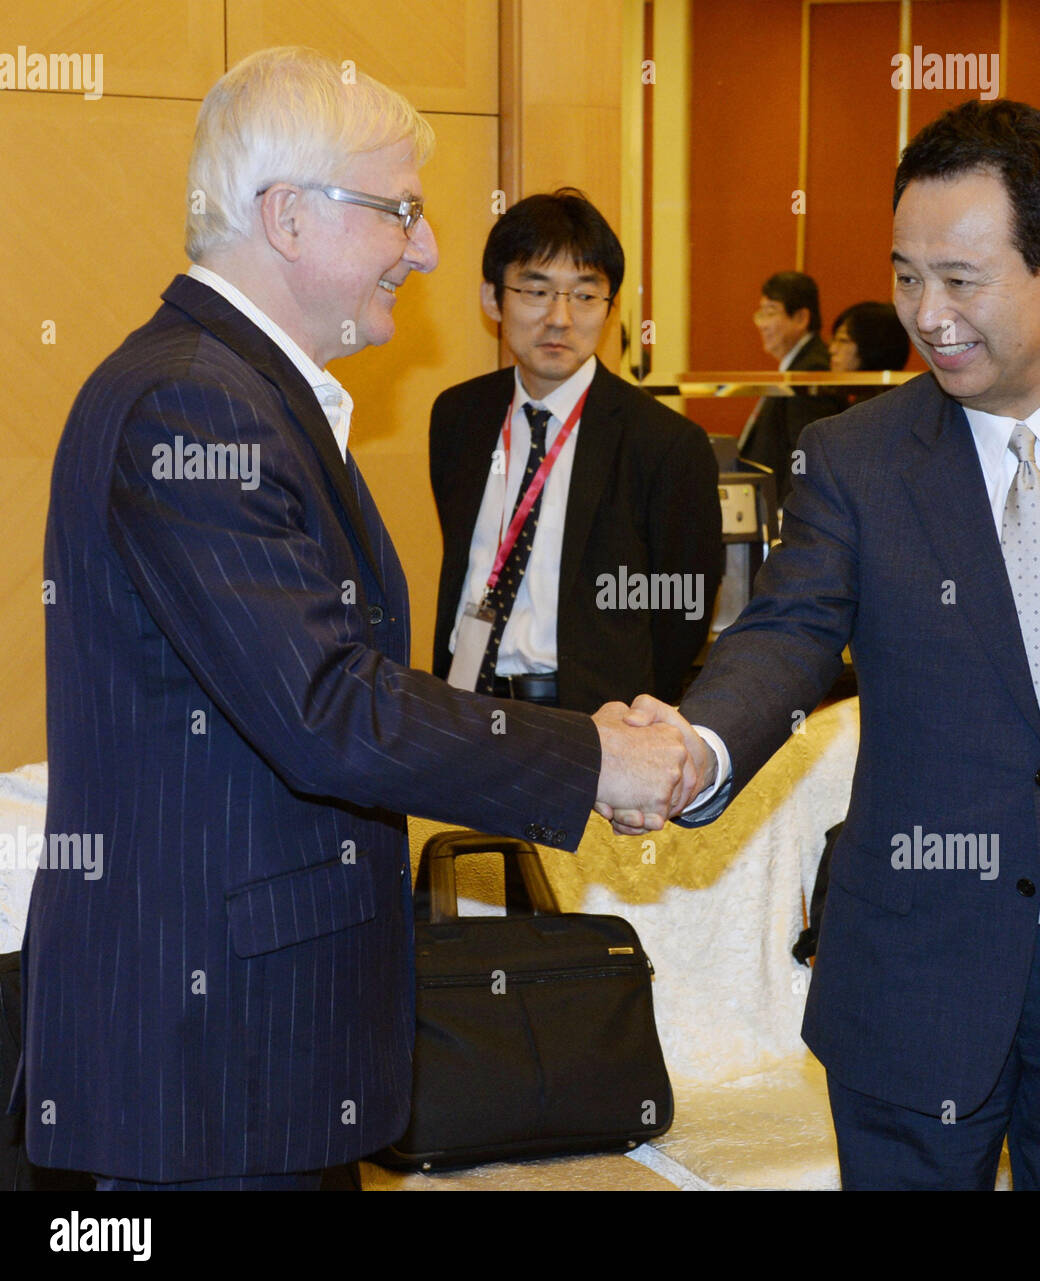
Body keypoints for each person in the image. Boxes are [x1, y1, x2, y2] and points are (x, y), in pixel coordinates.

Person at [15, 47, 689, 1191]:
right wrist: (593, 760)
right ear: (286, 216)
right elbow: (324, 707)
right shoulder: (196, 403)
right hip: (213, 1058)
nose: (424, 250)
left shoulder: (240, 391)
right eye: (398, 211)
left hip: (253, 1043)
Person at [606, 99, 1040, 1190]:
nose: (927, 313)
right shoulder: (855, 460)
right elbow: (785, 634)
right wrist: (698, 746)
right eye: (905, 275)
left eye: (960, 279)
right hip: (909, 974)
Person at [429, 189, 722, 713]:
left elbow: (683, 603)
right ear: (494, 299)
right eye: (536, 291)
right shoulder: (458, 417)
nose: (560, 318)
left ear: (609, 306)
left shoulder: (664, 442)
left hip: (592, 721)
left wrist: (635, 711)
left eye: (585, 295)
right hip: (466, 705)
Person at [738, 270, 841, 503]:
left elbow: (804, 450)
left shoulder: (810, 372)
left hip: (786, 508)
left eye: (770, 312)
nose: (762, 324)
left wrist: (789, 510)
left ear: (801, 318)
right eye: (760, 313)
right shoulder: (796, 366)